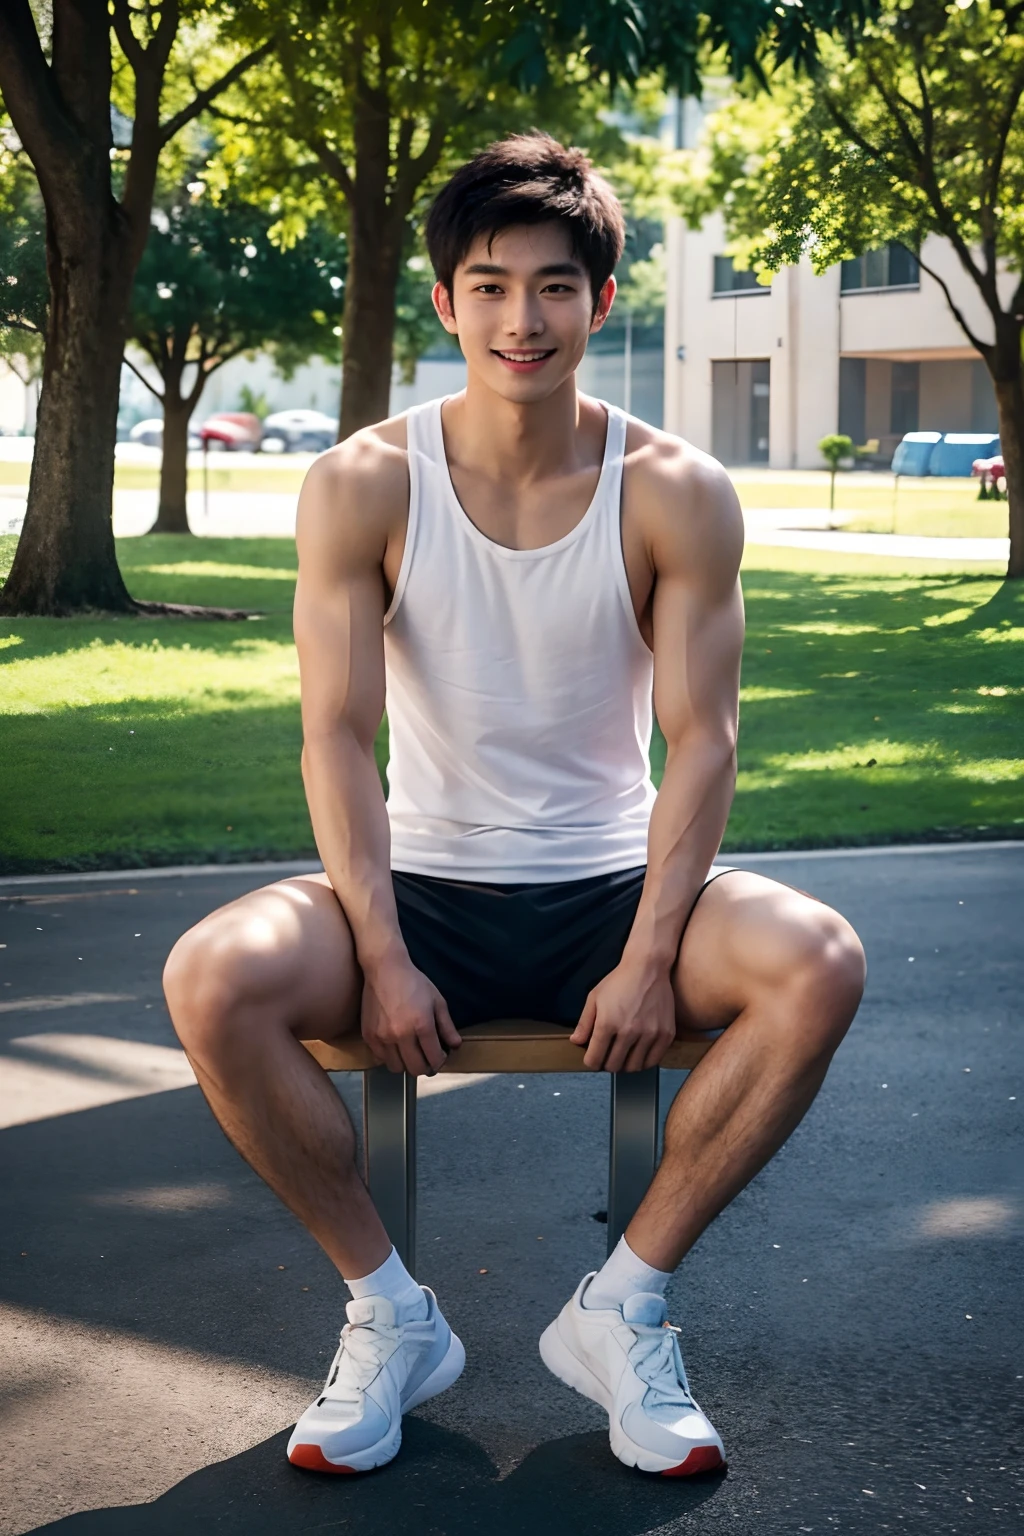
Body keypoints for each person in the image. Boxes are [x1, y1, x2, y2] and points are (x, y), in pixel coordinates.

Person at [163, 132, 865, 1480]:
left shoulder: (673, 490)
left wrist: (654, 950)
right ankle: (391, 1315)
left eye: (553, 286)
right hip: (418, 884)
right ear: (444, 303)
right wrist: (380, 951)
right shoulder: (365, 480)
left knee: (819, 959)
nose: (520, 318)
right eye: (487, 285)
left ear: (601, 301)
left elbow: (703, 742)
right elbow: (337, 733)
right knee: (211, 977)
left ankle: (623, 1308)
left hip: (612, 888)